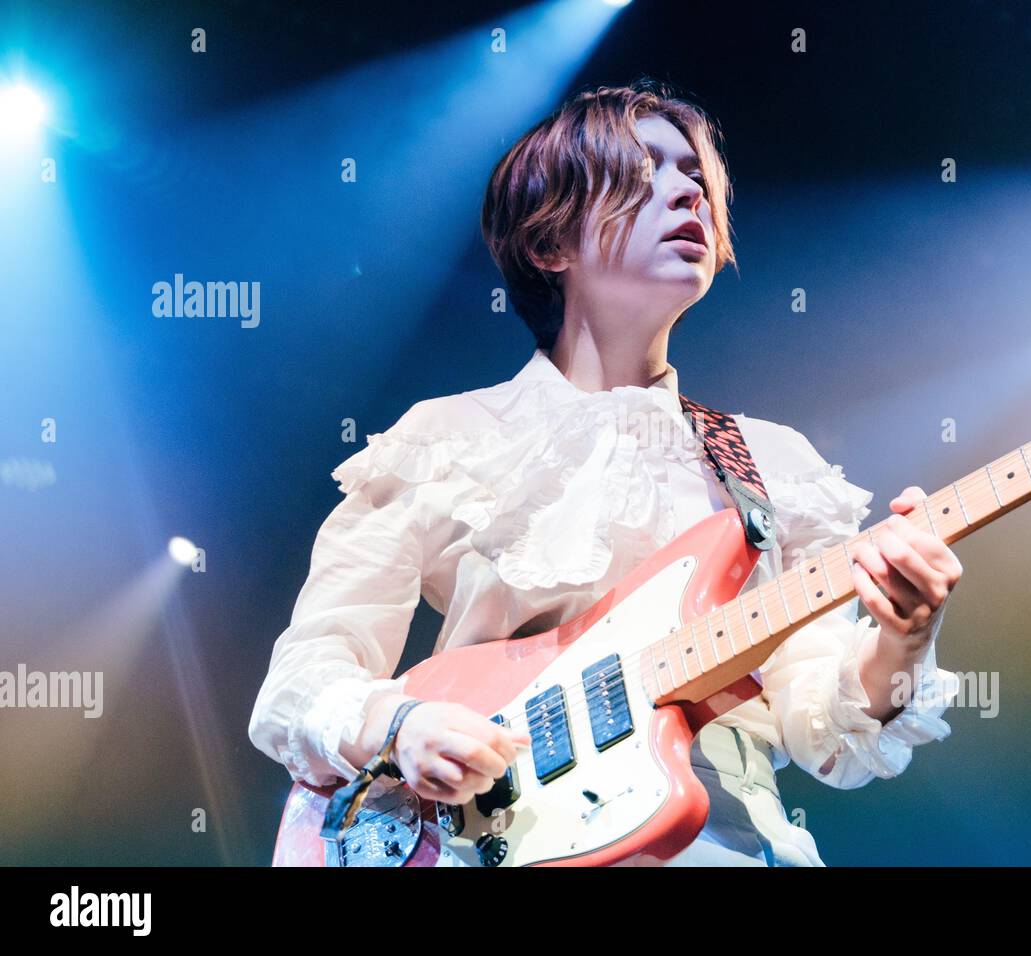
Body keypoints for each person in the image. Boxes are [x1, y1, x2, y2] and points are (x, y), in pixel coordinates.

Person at [248, 78, 963, 866]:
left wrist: (905, 635)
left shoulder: (772, 464)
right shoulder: (443, 438)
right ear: (549, 244)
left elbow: (824, 731)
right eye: (645, 171)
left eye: (696, 174)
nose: (687, 189)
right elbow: (303, 679)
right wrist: (400, 726)